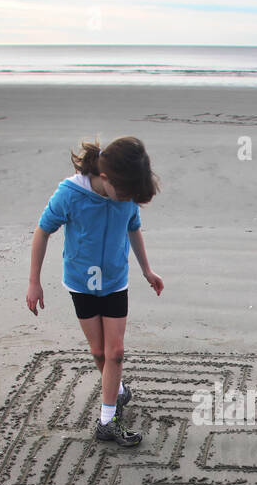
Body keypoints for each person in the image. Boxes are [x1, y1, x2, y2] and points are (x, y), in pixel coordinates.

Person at [26, 136, 163, 445]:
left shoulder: (125, 197)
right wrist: (34, 281)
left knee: (115, 353)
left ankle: (107, 421)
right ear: (105, 178)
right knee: (99, 352)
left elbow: (133, 228)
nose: (126, 199)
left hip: (115, 281)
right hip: (81, 283)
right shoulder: (70, 194)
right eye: (124, 193)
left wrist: (146, 270)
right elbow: (42, 231)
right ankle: (118, 391)